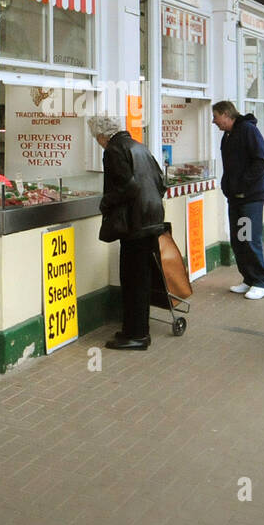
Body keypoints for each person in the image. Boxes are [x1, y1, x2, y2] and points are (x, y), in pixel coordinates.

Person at [90, 114, 166, 351]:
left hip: (135, 224)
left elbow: (128, 187)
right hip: (152, 218)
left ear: (102, 135)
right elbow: (160, 183)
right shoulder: (139, 146)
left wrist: (106, 202)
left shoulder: (113, 150)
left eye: (96, 137)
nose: (98, 141)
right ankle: (137, 329)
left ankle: (137, 335)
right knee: (141, 278)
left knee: (132, 278)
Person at [212, 100, 264, 300]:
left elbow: (261, 159)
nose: (214, 121)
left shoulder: (247, 131)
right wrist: (229, 186)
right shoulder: (227, 135)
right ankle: (249, 278)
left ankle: (261, 282)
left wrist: (242, 184)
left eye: (216, 116)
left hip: (249, 198)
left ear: (227, 115)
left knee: (249, 238)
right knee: (238, 240)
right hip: (235, 198)